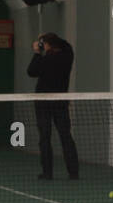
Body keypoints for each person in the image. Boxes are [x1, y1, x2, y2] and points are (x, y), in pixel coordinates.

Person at [27, 32, 79, 180]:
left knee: (45, 137)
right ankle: (73, 172)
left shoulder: (46, 59)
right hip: (60, 102)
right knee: (66, 136)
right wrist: (49, 38)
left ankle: (47, 172)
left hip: (43, 103)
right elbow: (66, 45)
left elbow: (31, 71)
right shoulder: (67, 55)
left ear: (47, 45)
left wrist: (37, 52)